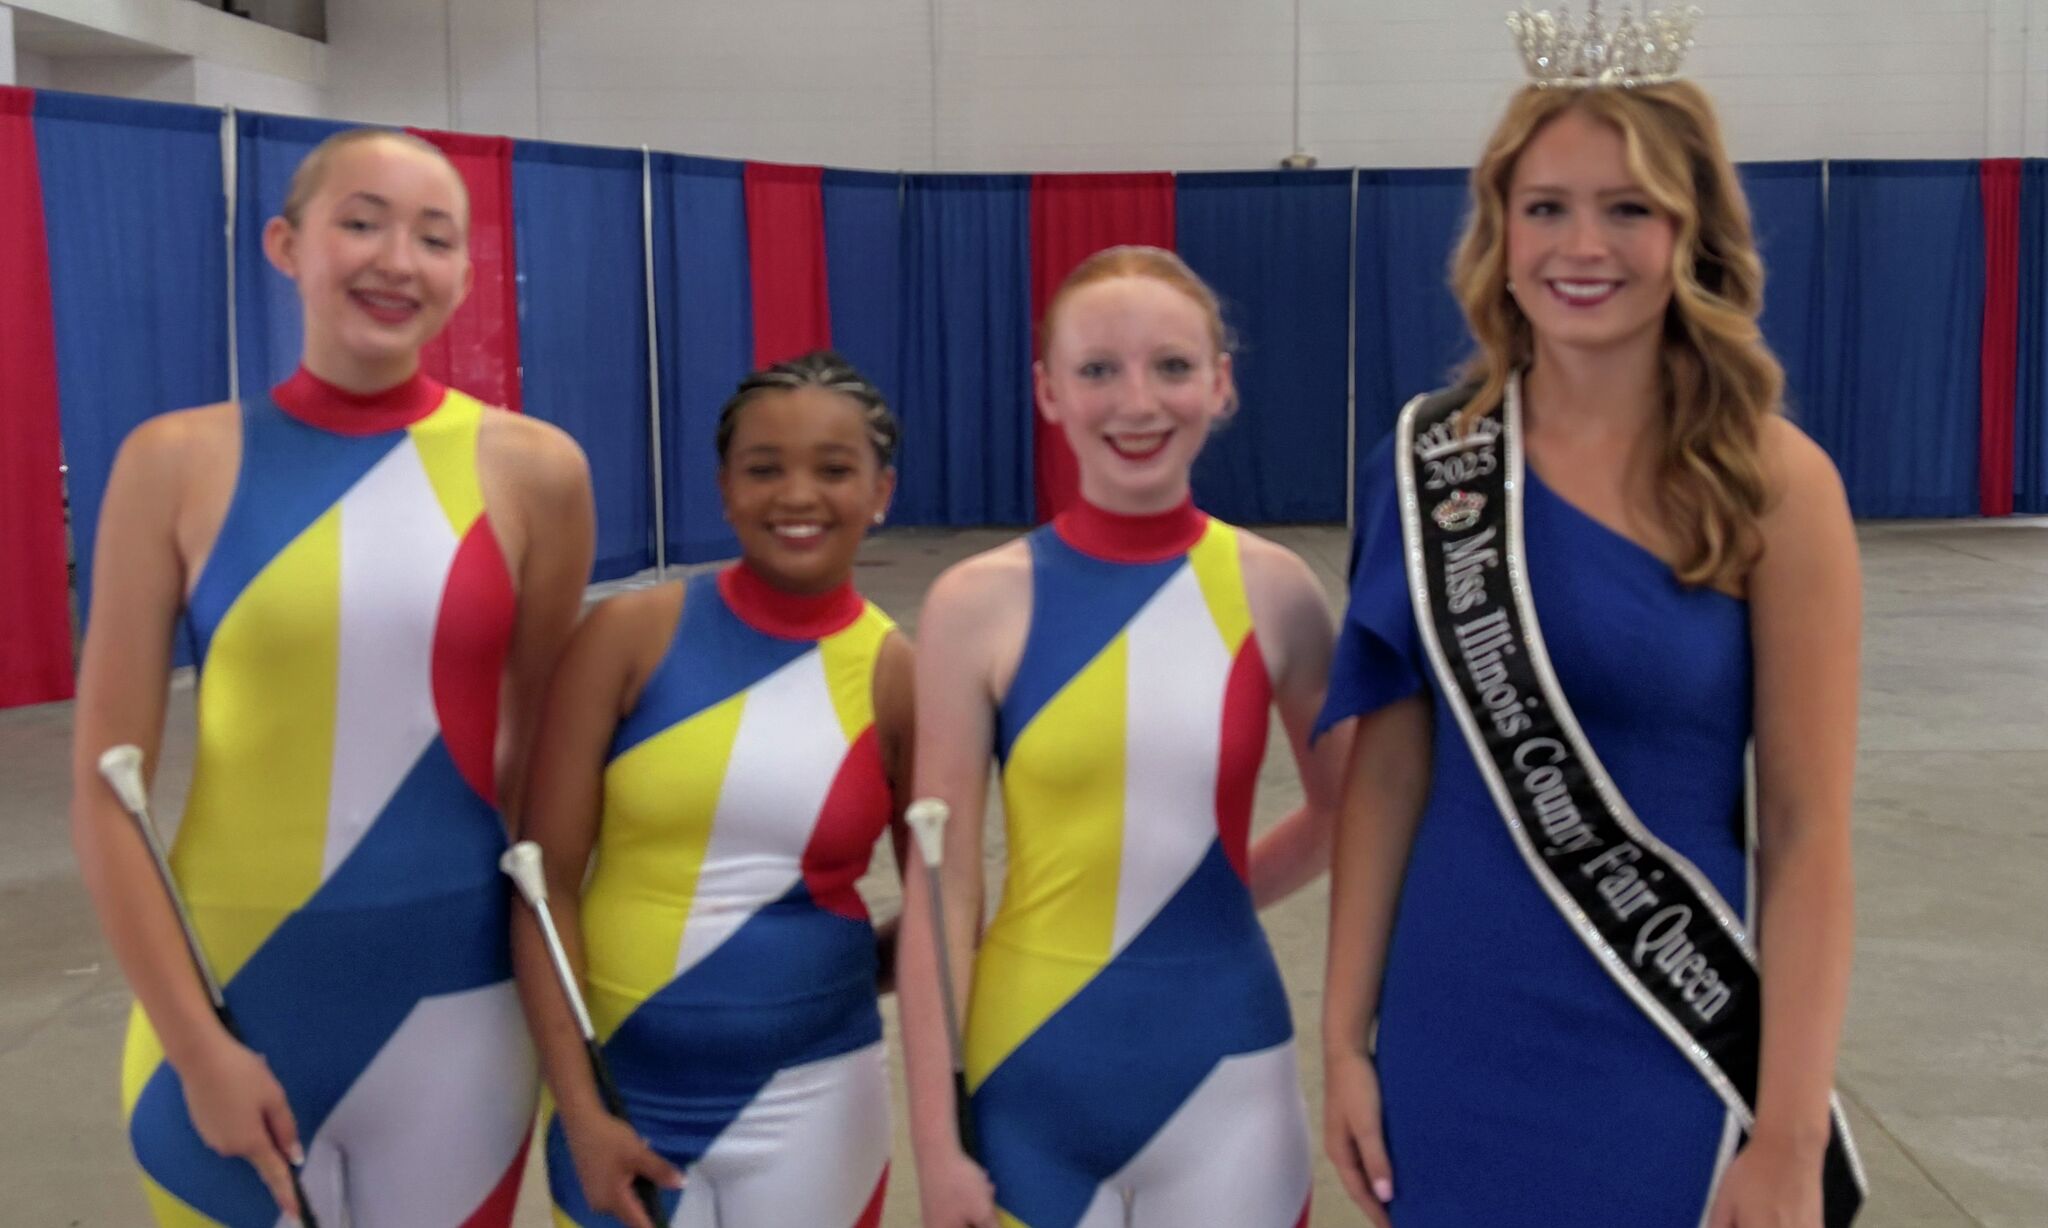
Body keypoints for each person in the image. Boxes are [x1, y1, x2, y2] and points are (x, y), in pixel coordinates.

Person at [1318, 14, 1865, 1228]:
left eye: (1628, 208)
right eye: (1546, 206)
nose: (1581, 245)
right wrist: (1345, 1038)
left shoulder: (1773, 482)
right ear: (1498, 230)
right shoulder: (1426, 464)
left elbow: (1803, 826)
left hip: (1667, 1037)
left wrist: (1785, 1131)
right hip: (1450, 1029)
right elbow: (1390, 769)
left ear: (1690, 234)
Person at [69, 128, 595, 1225]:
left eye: (435, 236)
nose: (396, 259)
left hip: (461, 1018)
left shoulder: (536, 471)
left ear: (463, 272)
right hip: (233, 999)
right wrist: (197, 1047)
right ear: (285, 243)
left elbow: (541, 778)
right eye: (359, 221)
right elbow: (103, 791)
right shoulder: (174, 462)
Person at [900, 246, 1349, 1228]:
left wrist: (1213, 894)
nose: (1135, 401)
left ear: (1220, 384)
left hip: (1225, 1069)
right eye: (1097, 369)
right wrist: (934, 1141)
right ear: (1047, 391)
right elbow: (942, 884)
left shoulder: (1275, 591)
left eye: (1172, 366)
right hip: (1029, 1073)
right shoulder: (973, 604)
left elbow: (1343, 813)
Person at [512, 350, 911, 1228]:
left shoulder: (898, 678)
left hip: (817, 1100)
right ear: (725, 490)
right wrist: (583, 1113)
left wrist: (827, 981)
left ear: (881, 492)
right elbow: (541, 896)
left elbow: (946, 906)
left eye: (834, 470)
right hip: (622, 1092)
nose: (796, 495)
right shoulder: (625, 638)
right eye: (763, 469)